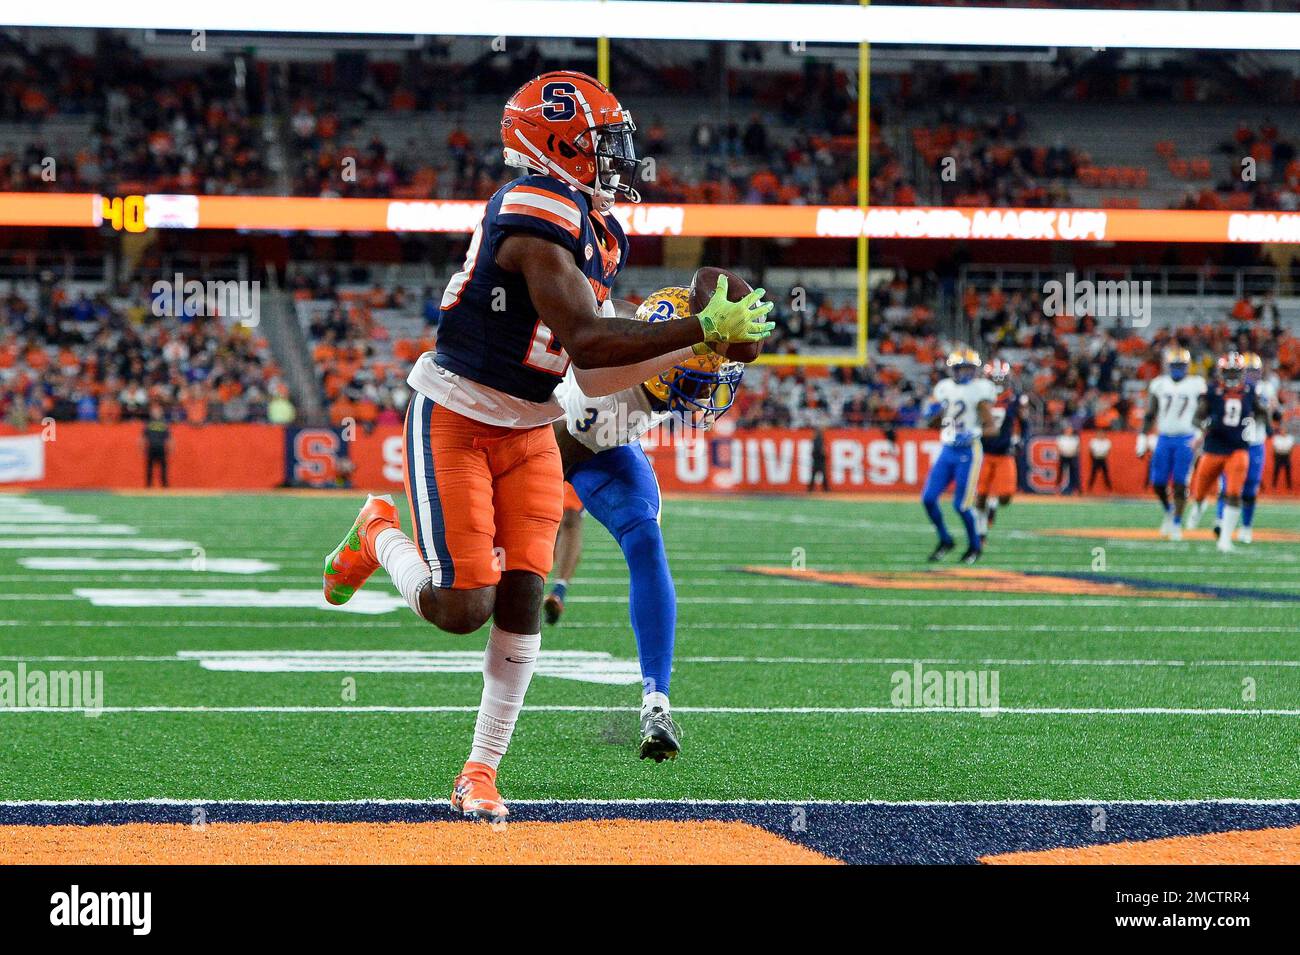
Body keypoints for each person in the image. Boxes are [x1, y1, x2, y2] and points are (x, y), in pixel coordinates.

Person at [319, 72, 773, 822]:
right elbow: (589, 344)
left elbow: (599, 368)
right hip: (458, 415)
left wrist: (697, 352)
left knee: (524, 594)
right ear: (557, 143)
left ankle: (479, 770)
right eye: (603, 144)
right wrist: (700, 330)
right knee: (464, 606)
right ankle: (376, 530)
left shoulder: (597, 225)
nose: (618, 157)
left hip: (531, 420)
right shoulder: (531, 207)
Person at [545, 285, 748, 761]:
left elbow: (637, 317)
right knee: (467, 589)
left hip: (605, 448)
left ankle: (657, 703)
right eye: (699, 379)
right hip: (544, 442)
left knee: (646, 541)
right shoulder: (607, 383)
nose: (705, 392)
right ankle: (380, 538)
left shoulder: (637, 330)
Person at [921, 348, 998, 564]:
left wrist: (976, 433)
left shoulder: (980, 390)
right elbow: (931, 422)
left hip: (969, 451)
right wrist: (935, 412)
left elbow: (992, 427)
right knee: (928, 498)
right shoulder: (944, 388)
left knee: (961, 505)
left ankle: (975, 546)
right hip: (948, 449)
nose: (965, 373)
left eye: (968, 368)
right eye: (961, 368)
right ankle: (945, 539)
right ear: (953, 369)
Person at [1186, 352, 1260, 553]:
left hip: (1238, 448)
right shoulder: (1211, 391)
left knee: (1234, 493)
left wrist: (1267, 415)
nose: (1231, 376)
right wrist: (1204, 427)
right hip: (1214, 447)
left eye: (1235, 371)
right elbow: (1196, 418)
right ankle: (1199, 506)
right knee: (1200, 491)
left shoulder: (1250, 391)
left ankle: (1225, 539)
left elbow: (1262, 412)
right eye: (1228, 372)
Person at [1136, 346, 1206, 541]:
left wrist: (1200, 433)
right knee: (1157, 482)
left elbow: (1204, 411)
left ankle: (1176, 522)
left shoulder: (1196, 384)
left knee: (1180, 483)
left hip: (1186, 438)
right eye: (1174, 365)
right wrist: (1142, 437)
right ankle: (1168, 510)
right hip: (1164, 437)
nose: (1177, 368)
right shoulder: (1159, 384)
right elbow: (1150, 413)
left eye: (1180, 365)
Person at [1215, 352, 1273, 544]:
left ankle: (1246, 527)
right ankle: (1221, 521)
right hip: (1233, 444)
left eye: (1255, 372)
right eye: (1248, 372)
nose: (1252, 376)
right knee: (1227, 485)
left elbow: (1268, 415)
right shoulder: (1229, 390)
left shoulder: (1263, 390)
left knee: (1250, 488)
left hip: (1255, 443)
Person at [973, 358, 1026, 544]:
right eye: (993, 379)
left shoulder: (1015, 399)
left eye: (1000, 379)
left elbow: (1025, 424)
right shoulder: (978, 398)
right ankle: (980, 533)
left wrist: (1020, 441)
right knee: (979, 496)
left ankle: (994, 504)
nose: (997, 383)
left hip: (1004, 453)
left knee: (1006, 496)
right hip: (983, 452)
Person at [143, 403, 171, 488]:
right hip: (151, 447)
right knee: (149, 468)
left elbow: (168, 437)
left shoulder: (164, 423)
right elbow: (144, 436)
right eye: (154, 411)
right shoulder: (148, 423)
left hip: (161, 448)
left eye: (158, 411)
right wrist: (143, 447)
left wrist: (170, 448)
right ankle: (148, 486)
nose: (156, 413)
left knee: (163, 468)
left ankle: (164, 486)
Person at [1087, 426, 1113, 492]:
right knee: (1093, 474)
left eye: (1102, 433)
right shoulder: (1093, 441)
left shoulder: (1107, 441)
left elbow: (1107, 451)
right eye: (1099, 433)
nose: (1101, 435)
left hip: (1103, 459)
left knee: (1106, 474)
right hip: (1095, 459)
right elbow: (1091, 451)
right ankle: (1089, 489)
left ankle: (1109, 489)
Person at [1056, 425, 1080, 495]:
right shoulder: (1061, 438)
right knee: (1060, 473)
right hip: (1063, 456)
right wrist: (1060, 454)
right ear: (1065, 430)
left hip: (1072, 456)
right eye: (1068, 429)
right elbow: (1058, 448)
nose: (1069, 431)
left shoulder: (1075, 438)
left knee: (1073, 474)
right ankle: (1058, 489)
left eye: (1070, 430)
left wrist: (1074, 453)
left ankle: (1075, 489)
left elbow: (1078, 448)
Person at [808, 426, 829, 492]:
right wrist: (823, 454)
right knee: (822, 475)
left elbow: (814, 451)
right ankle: (825, 489)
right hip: (820, 460)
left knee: (814, 475)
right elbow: (821, 451)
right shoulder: (819, 440)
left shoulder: (816, 440)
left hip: (817, 460)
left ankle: (811, 489)